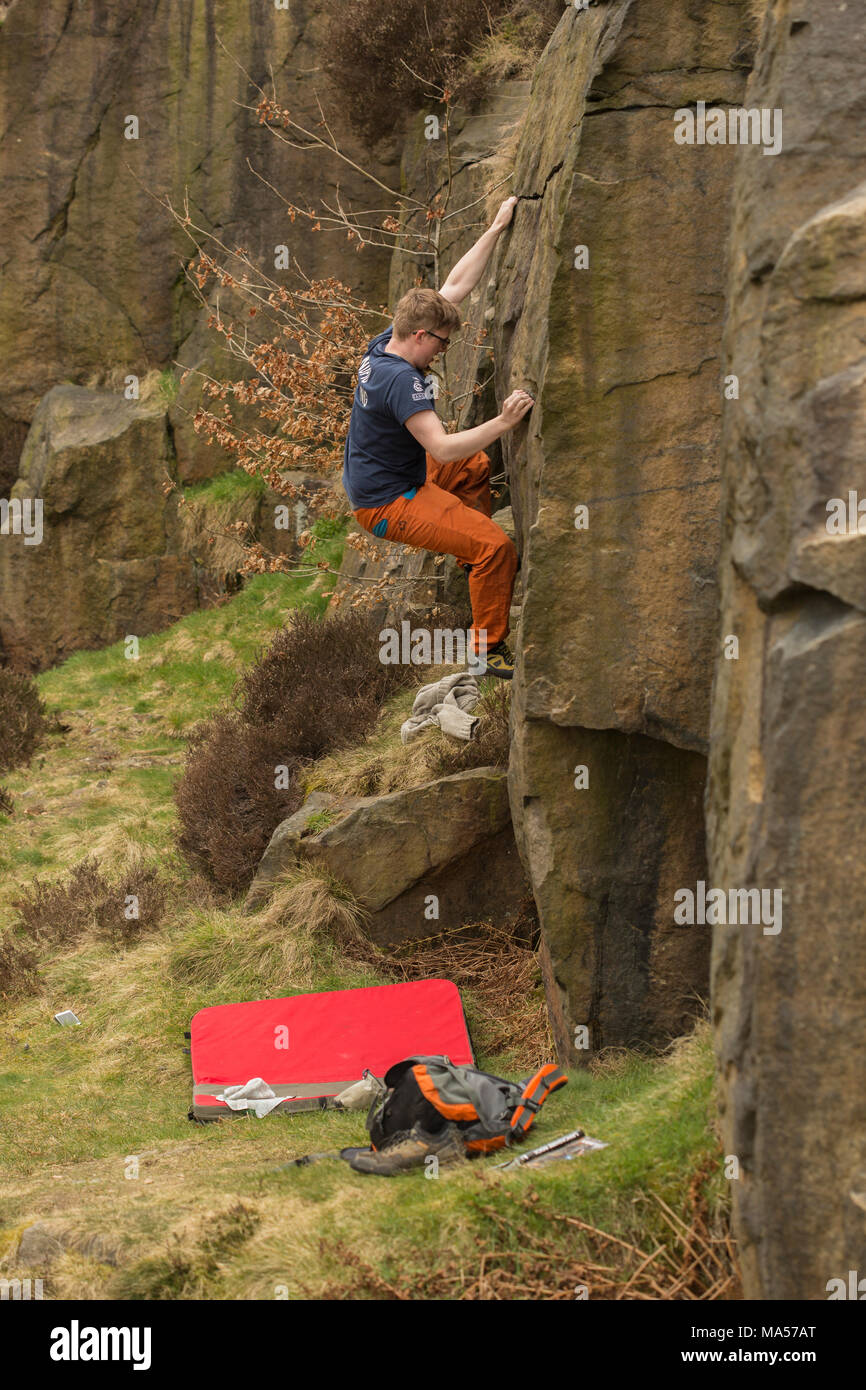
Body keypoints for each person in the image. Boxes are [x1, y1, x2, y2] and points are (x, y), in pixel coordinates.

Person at [342, 195, 533, 679]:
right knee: (497, 547)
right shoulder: (400, 381)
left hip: (386, 474)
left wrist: (495, 227)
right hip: (390, 501)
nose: (444, 352)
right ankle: (487, 649)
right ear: (423, 336)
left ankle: (479, 572)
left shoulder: (388, 340)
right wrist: (505, 423)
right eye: (443, 343)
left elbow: (454, 286)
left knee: (474, 469)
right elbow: (442, 448)